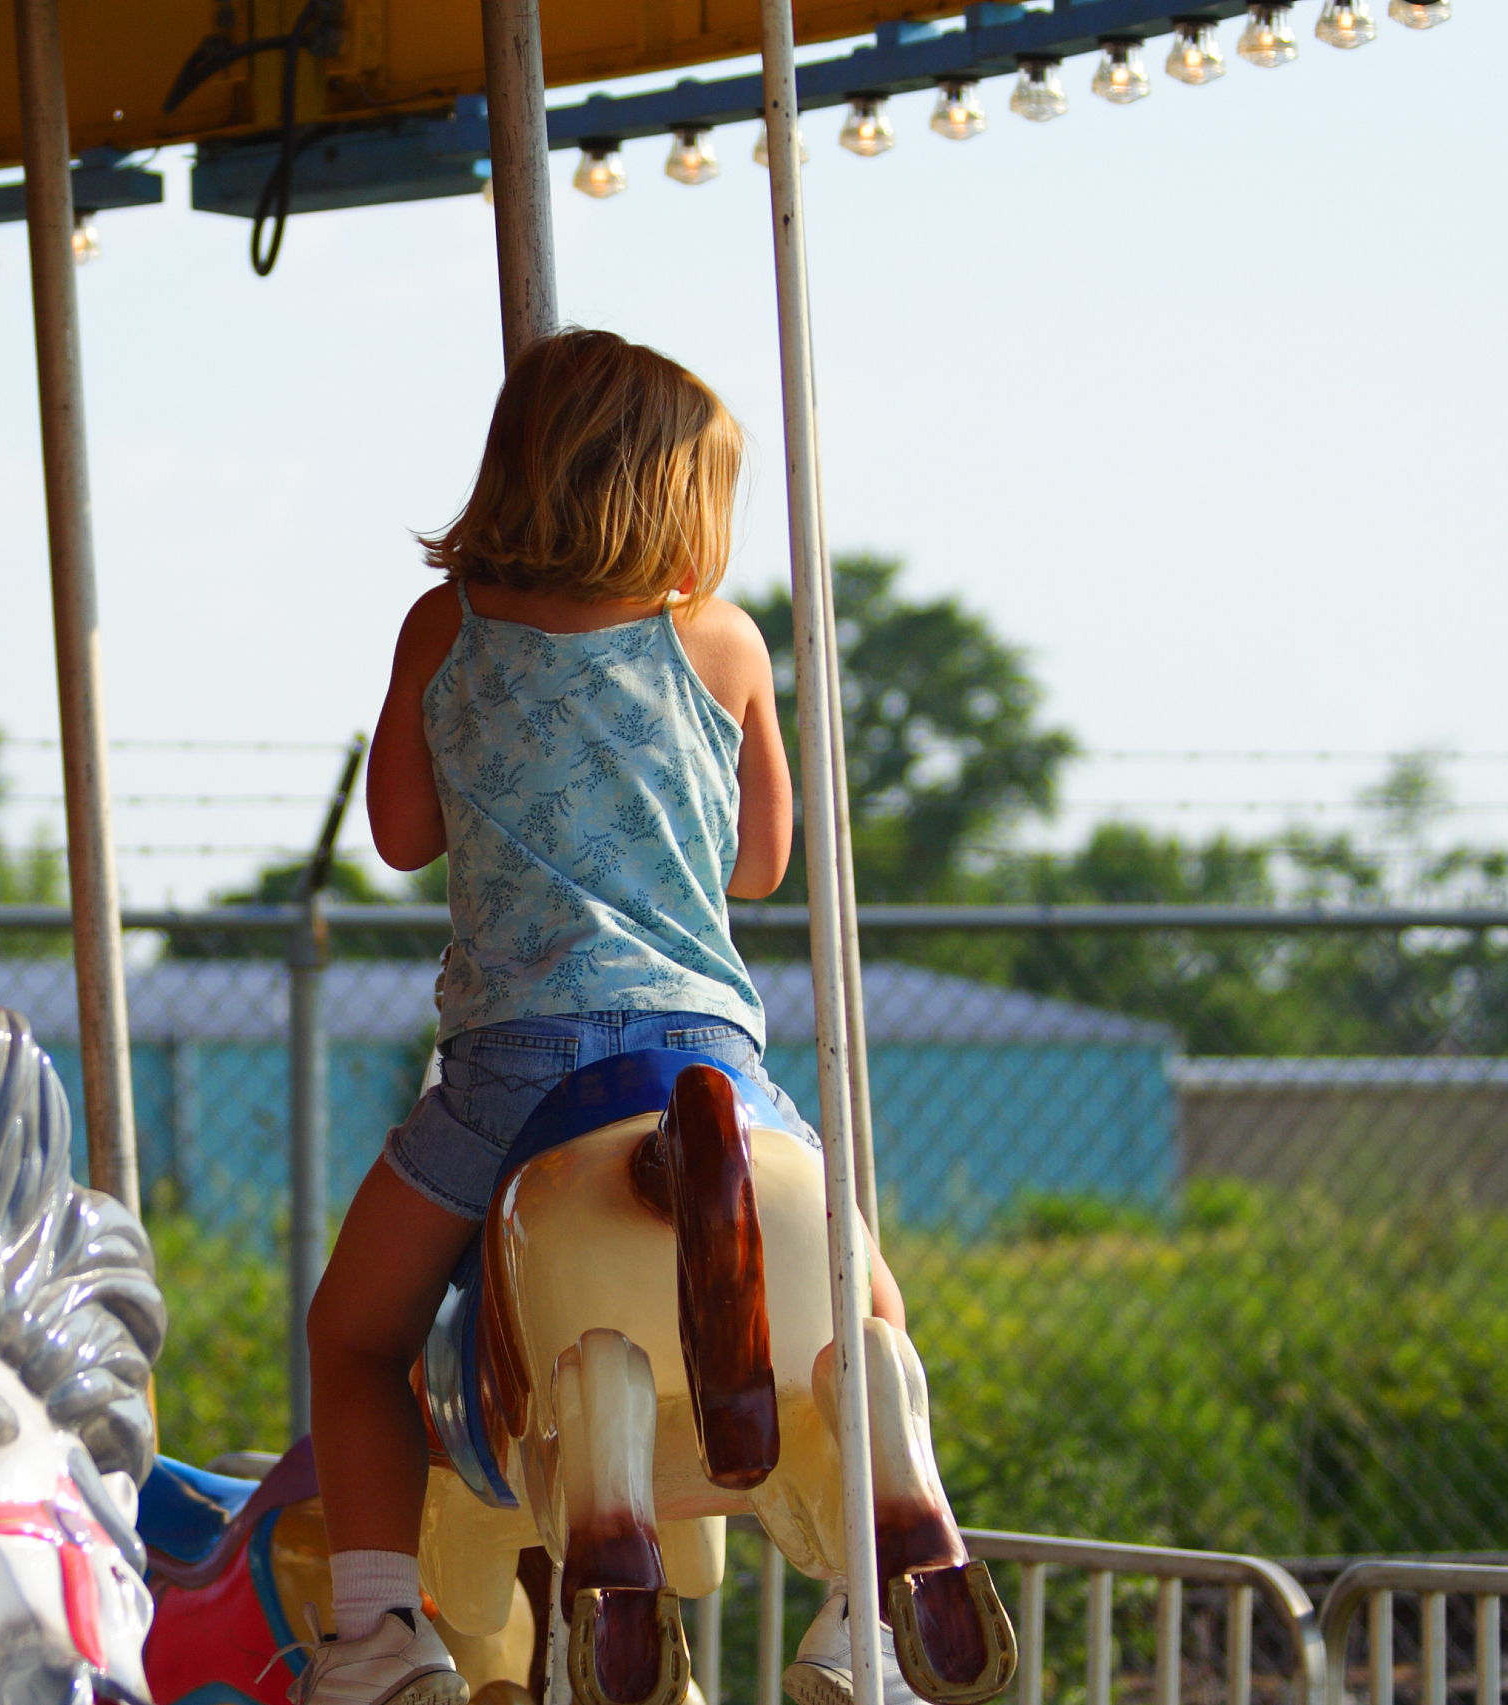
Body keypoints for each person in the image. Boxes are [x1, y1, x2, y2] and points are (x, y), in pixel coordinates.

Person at [298, 328, 909, 1705]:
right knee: (865, 1310)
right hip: (710, 1058)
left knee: (355, 1336)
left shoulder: (444, 628)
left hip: (517, 1072)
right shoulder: (723, 639)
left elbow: (399, 830)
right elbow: (760, 864)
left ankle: (381, 1627)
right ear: (679, 507)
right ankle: (872, 1602)